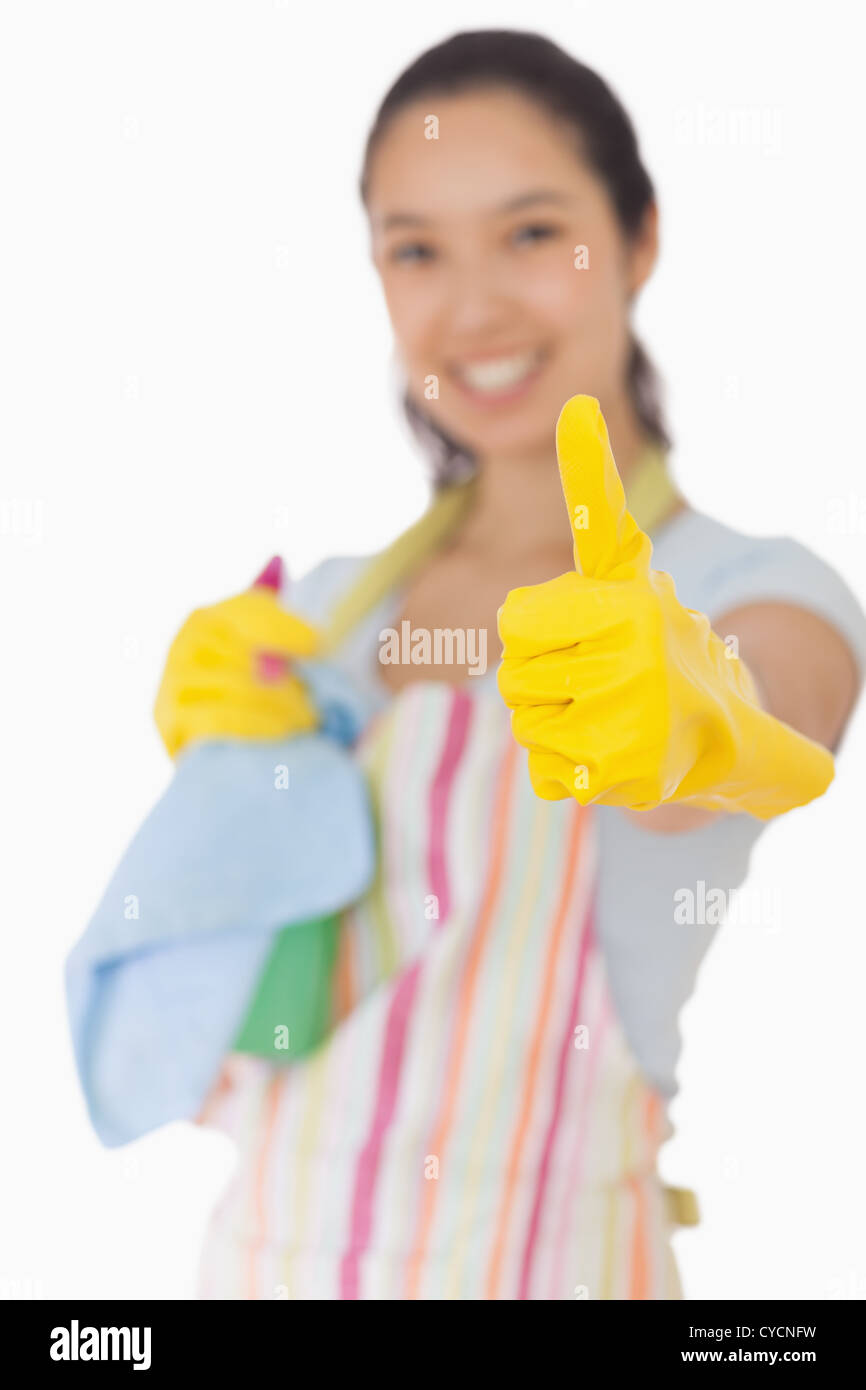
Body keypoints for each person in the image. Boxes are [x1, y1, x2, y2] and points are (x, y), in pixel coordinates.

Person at [156, 32, 865, 1300]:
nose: (472, 306)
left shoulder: (751, 590)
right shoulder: (324, 614)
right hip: (261, 1263)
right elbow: (235, 997)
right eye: (414, 248)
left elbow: (779, 705)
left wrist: (695, 718)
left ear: (639, 238)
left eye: (532, 233)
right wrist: (224, 786)